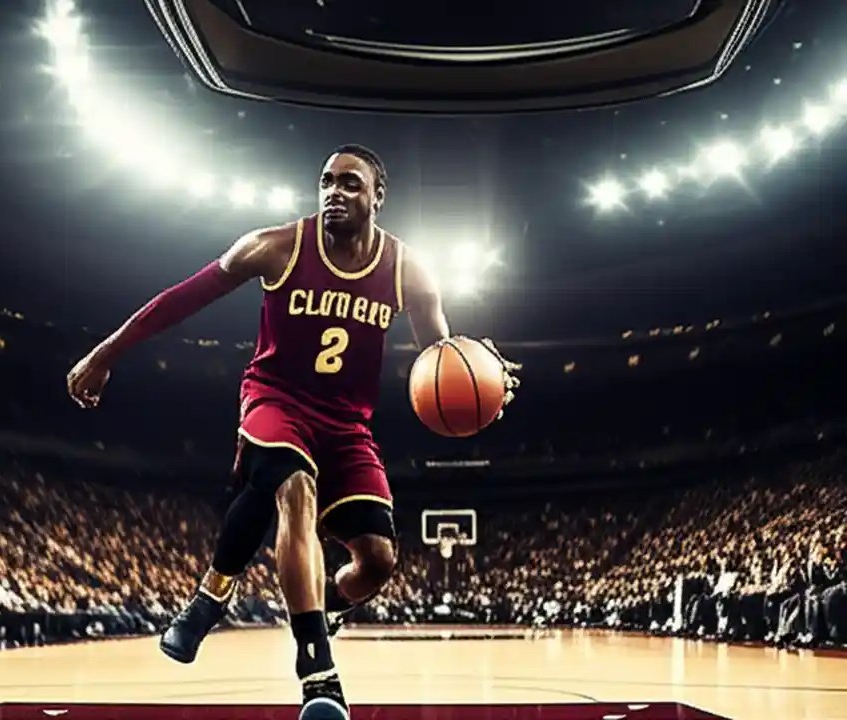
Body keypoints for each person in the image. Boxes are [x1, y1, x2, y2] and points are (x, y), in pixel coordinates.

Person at [67, 145, 520, 719]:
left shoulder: (408, 268)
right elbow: (181, 300)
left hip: (347, 426)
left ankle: (276, 600)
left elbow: (441, 355)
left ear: (378, 198)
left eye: (350, 184)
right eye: (326, 181)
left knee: (378, 561)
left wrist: (485, 379)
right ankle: (317, 671)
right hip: (275, 401)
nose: (334, 191)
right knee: (293, 487)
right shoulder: (275, 247)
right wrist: (106, 354)